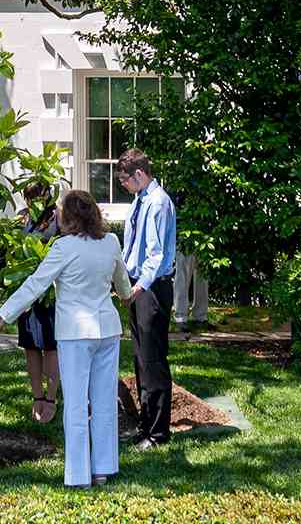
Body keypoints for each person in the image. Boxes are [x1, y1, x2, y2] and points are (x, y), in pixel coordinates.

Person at [0, 189, 133, 488]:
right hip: (107, 329)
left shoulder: (63, 247)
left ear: (69, 216)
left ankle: (78, 475)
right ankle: (102, 469)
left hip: (76, 334)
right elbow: (123, 284)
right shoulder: (111, 242)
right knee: (104, 402)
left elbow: (34, 285)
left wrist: (3, 314)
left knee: (77, 404)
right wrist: (129, 296)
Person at [118, 147, 177, 449]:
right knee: (140, 359)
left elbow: (156, 254)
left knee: (153, 360)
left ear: (139, 174)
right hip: (137, 286)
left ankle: (157, 433)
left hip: (152, 288)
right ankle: (144, 425)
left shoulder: (158, 203)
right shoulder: (140, 201)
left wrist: (138, 287)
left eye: (124, 179)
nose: (123, 184)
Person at [15, 182, 60, 422]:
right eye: (29, 198)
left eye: (38, 197)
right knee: (31, 345)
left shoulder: (59, 218)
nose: (33, 203)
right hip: (28, 290)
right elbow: (9, 253)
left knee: (51, 346)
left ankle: (51, 398)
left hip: (52, 292)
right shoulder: (21, 219)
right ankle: (38, 396)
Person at [173, 247, 209, 331]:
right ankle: (180, 318)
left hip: (205, 236)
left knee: (203, 276)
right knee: (182, 275)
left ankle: (201, 317)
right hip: (185, 239)